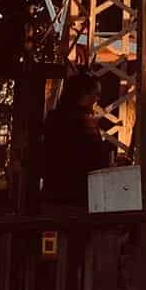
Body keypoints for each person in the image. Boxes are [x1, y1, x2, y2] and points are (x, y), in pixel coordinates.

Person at [40, 70, 109, 211]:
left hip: (53, 195)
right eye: (96, 94)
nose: (97, 99)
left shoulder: (54, 118)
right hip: (78, 198)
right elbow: (95, 161)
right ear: (84, 93)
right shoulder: (84, 123)